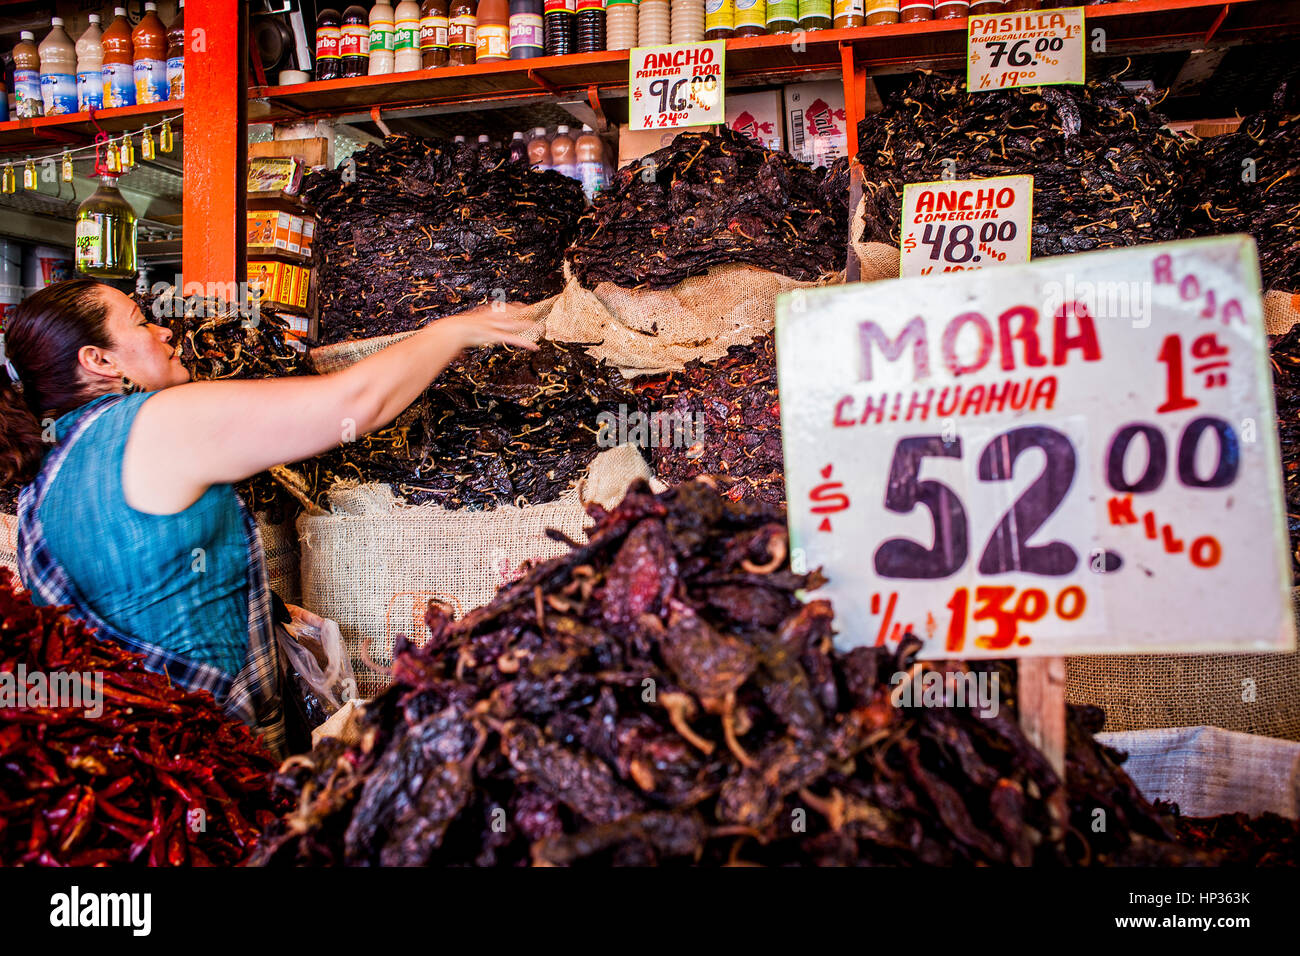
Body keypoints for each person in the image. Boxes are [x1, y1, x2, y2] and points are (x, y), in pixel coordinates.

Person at [0, 279, 535, 753]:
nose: (164, 332)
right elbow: (355, 402)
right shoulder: (152, 422)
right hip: (209, 759)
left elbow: (138, 589)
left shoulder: (41, 480)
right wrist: (453, 331)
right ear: (100, 361)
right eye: (141, 323)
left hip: (125, 769)